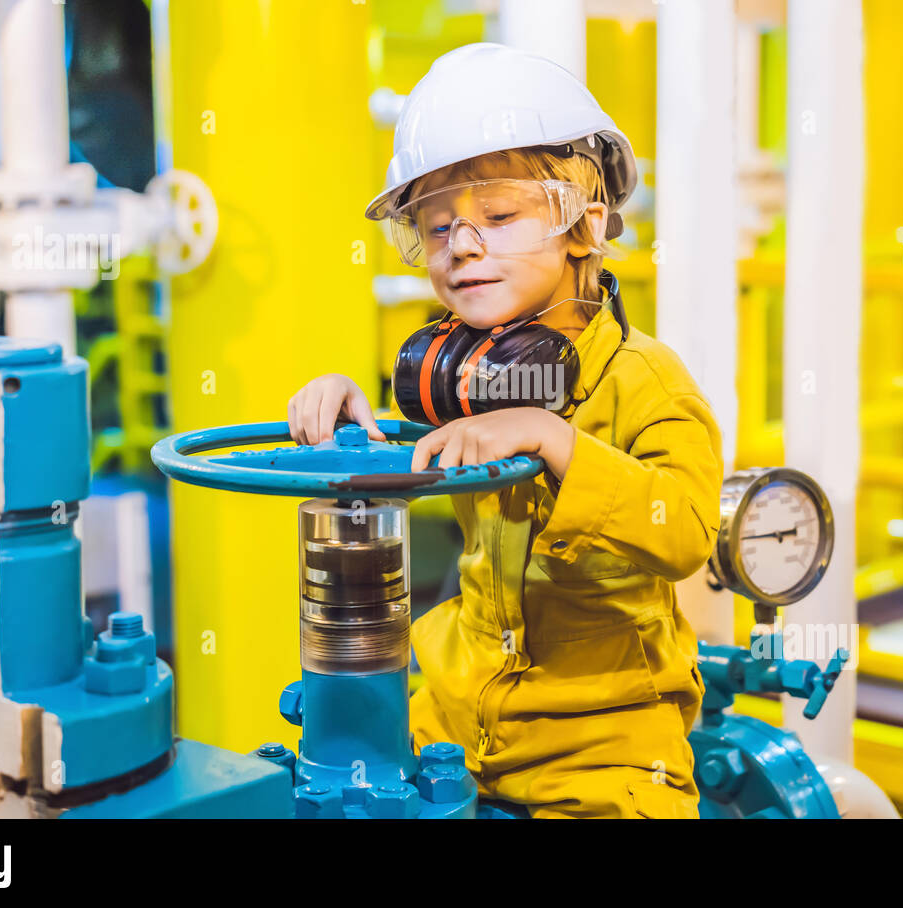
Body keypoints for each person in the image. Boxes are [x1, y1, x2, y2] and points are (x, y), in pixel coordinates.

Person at [287, 43, 723, 818]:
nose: (461, 246)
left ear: (583, 225)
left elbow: (687, 529)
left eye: (498, 215)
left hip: (601, 738)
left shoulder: (643, 378)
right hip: (453, 707)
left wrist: (554, 440)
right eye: (438, 225)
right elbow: (417, 450)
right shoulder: (457, 371)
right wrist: (355, 415)